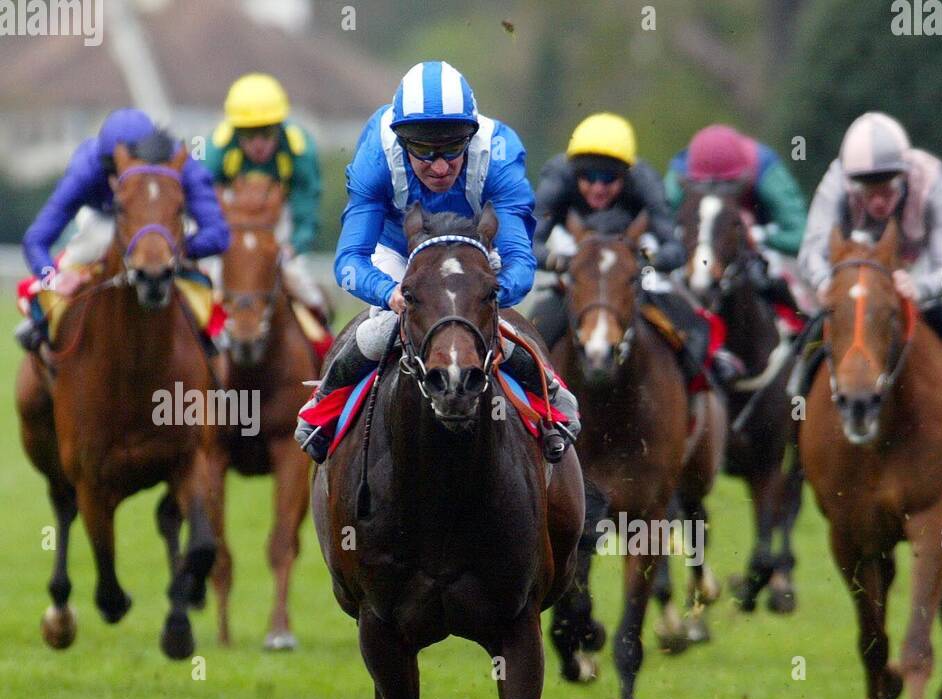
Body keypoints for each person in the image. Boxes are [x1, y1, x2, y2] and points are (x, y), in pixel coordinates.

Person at [295, 60, 577, 463]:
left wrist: (491, 293)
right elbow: (350, 260)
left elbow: (519, 260)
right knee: (382, 328)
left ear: (471, 136)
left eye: (453, 149)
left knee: (496, 327)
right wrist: (388, 291)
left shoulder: (498, 152)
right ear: (401, 141)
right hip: (401, 253)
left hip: (476, 253)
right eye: (424, 152)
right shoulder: (376, 153)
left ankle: (552, 403)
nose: (440, 166)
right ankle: (324, 408)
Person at [530, 112, 746, 388]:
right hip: (577, 279)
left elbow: (675, 249)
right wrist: (556, 260)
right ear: (574, 173)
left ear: (625, 175)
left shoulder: (645, 181)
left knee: (695, 334)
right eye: (588, 177)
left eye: (608, 178)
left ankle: (706, 386)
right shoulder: (558, 179)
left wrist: (644, 259)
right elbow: (525, 243)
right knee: (531, 339)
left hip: (629, 280)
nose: (598, 187)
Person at [798, 111, 942, 400]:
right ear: (852, 182)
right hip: (863, 260)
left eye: (887, 187)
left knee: (936, 313)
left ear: (904, 175)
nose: (878, 201)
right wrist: (824, 283)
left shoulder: (937, 184)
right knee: (830, 316)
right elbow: (812, 250)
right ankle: (797, 393)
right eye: (869, 190)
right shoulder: (837, 181)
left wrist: (920, 287)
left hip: (924, 259)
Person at [17, 108, 229, 352]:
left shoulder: (182, 164)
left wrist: (174, 249)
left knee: (203, 272)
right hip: (103, 222)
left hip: (164, 225)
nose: (121, 178)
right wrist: (52, 277)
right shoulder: (85, 168)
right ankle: (41, 328)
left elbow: (218, 233)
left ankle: (211, 333)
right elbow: (36, 240)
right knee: (86, 248)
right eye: (113, 169)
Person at [204, 73, 329, 325]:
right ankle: (210, 344)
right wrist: (217, 240)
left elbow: (306, 207)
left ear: (279, 127)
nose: (258, 144)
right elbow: (204, 201)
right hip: (231, 223)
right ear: (236, 131)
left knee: (300, 283)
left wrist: (295, 245)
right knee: (212, 280)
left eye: (266, 132)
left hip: (280, 220)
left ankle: (324, 336)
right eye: (249, 134)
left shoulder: (299, 149)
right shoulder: (217, 148)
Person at [665, 123, 810, 314]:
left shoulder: (766, 169)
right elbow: (660, 229)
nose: (716, 194)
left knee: (797, 280)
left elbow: (804, 235)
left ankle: (803, 325)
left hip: (762, 249)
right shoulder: (680, 173)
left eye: (727, 187)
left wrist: (759, 235)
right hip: (702, 249)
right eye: (705, 188)